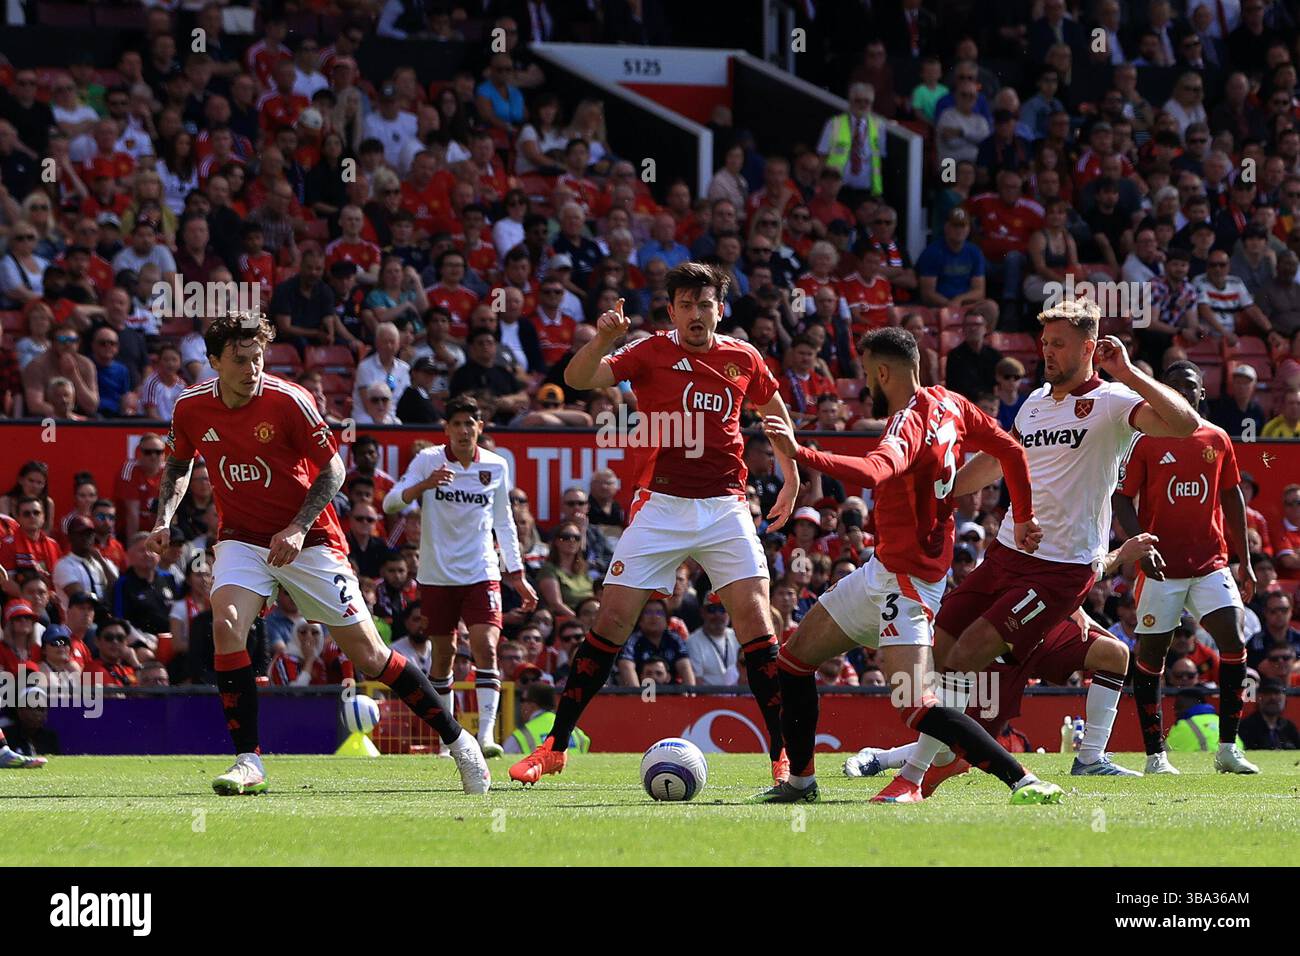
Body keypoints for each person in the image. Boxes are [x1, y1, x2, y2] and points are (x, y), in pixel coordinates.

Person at [147, 311, 490, 795]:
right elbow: (179, 464)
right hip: (243, 537)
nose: (252, 369)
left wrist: (297, 527)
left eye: (258, 358)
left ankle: (460, 743)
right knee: (226, 626)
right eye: (240, 360)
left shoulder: (289, 400)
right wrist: (163, 519)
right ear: (214, 362)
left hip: (310, 539)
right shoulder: (191, 406)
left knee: (370, 656)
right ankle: (249, 760)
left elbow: (334, 471)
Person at [508, 262, 801, 788]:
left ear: (719, 309)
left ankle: (784, 758)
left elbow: (774, 412)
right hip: (660, 505)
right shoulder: (647, 350)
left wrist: (792, 475)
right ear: (672, 311)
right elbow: (576, 379)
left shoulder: (743, 357)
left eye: (705, 304)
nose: (696, 314)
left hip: (725, 505)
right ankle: (555, 747)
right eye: (686, 305)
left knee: (758, 622)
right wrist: (603, 339)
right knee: (610, 622)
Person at [752, 326, 1065, 804]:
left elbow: (874, 471)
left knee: (915, 706)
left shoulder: (907, 424)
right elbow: (1010, 449)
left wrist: (800, 452)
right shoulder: (950, 404)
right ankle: (800, 782)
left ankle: (1023, 779)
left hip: (908, 585)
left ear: (882, 373)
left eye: (865, 374)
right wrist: (1023, 517)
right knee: (793, 663)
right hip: (881, 572)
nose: (864, 385)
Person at [907, 298, 1199, 790]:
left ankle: (921, 771)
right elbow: (998, 460)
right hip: (1005, 553)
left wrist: (1128, 372)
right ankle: (944, 755)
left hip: (1060, 569)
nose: (1047, 352)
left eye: (1059, 344)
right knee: (941, 647)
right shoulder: (1035, 402)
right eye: (1045, 343)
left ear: (1089, 348)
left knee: (969, 654)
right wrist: (942, 490)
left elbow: (1185, 424)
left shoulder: (1113, 401)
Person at [846, 535, 1161, 790]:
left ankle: (1091, 759)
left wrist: (1076, 608)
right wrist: (1121, 554)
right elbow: (1069, 571)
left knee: (1114, 654)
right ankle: (882, 759)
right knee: (962, 749)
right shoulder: (1036, 519)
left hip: (1045, 626)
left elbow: (1067, 575)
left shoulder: (1080, 510)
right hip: (1007, 635)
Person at [1112, 362, 1259, 774]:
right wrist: (1141, 546)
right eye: (1173, 385)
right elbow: (1121, 498)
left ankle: (1227, 749)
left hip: (1211, 563)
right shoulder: (1145, 441)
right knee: (1151, 655)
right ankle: (1155, 755)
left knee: (1233, 639)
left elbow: (1231, 497)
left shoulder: (1217, 438)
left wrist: (1245, 562)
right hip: (1161, 568)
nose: (1181, 391)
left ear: (1201, 393)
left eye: (1189, 385)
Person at [383, 395, 537, 759]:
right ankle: (448, 741)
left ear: (480, 427)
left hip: (481, 571)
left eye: (470, 423)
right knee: (444, 655)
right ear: (446, 429)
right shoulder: (428, 460)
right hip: (437, 574)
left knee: (486, 646)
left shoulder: (496, 466)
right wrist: (425, 485)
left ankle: (485, 736)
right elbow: (390, 502)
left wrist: (517, 575)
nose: (464, 430)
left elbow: (504, 522)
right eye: (457, 424)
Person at [504, 682, 591, 755]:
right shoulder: (573, 729)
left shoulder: (521, 735)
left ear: (532, 705)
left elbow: (506, 755)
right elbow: (585, 741)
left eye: (522, 700)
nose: (521, 705)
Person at [687, 598, 742, 684]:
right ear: (702, 612)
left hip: (739, 692)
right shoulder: (693, 641)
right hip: (709, 692)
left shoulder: (738, 636)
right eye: (712, 609)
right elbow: (697, 680)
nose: (717, 615)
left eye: (723, 609)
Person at [1238, 679, 1300, 750]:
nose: (1272, 697)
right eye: (1267, 693)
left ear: (1284, 698)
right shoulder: (1246, 728)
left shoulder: (1289, 728)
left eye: (1277, 693)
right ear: (1258, 697)